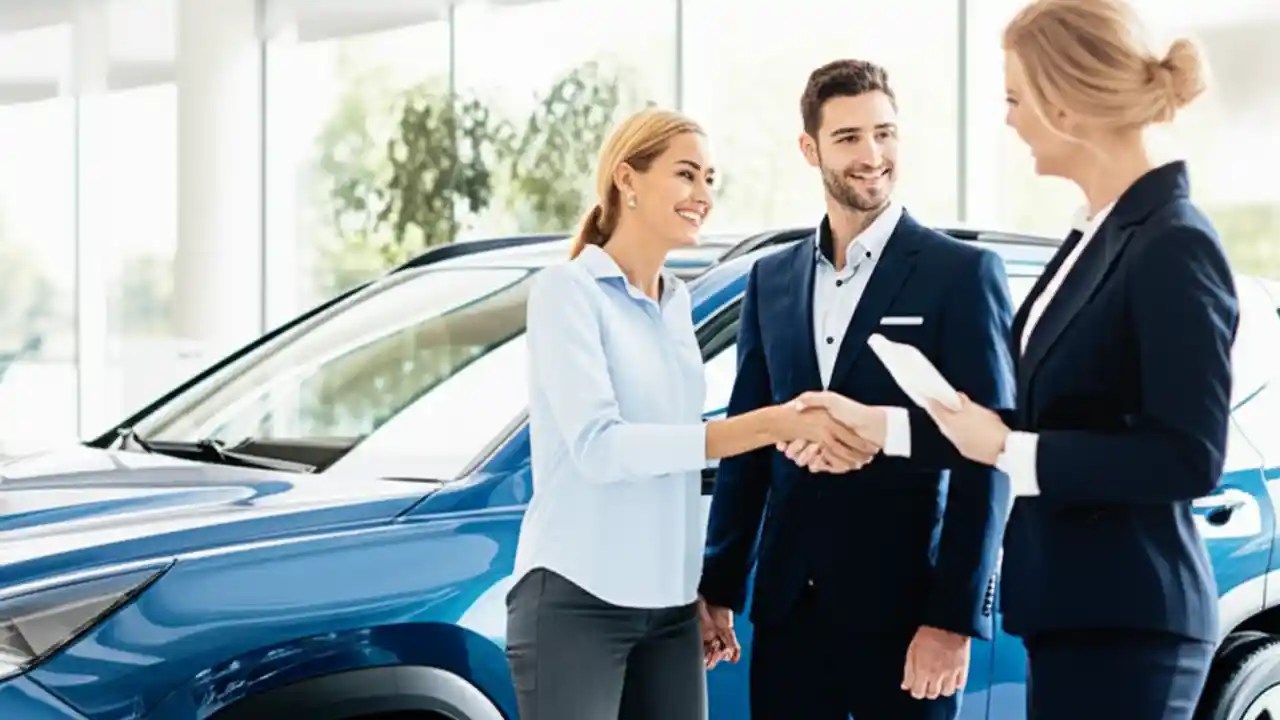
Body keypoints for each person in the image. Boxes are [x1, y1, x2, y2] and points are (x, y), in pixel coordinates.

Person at [504, 107, 875, 720]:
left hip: (672, 611)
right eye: (685, 175)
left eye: (710, 179)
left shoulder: (674, 304)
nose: (703, 195)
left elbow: (673, 462)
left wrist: (700, 589)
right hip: (578, 603)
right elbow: (601, 447)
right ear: (627, 179)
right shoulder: (567, 292)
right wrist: (770, 424)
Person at [923, 1, 1239, 718]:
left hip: (1131, 622)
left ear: (1064, 105)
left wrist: (1015, 451)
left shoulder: (1172, 242)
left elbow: (1189, 457)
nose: (1007, 121)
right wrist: (888, 428)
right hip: (1072, 614)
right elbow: (1035, 417)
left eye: (1013, 98)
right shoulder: (1097, 234)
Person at [697, 60, 1016, 720]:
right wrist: (719, 584)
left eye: (885, 134)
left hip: (908, 617)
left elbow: (990, 457)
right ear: (810, 148)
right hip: (789, 614)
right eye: (847, 138)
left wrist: (953, 621)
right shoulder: (771, 281)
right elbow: (749, 438)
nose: (872, 156)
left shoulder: (961, 276)